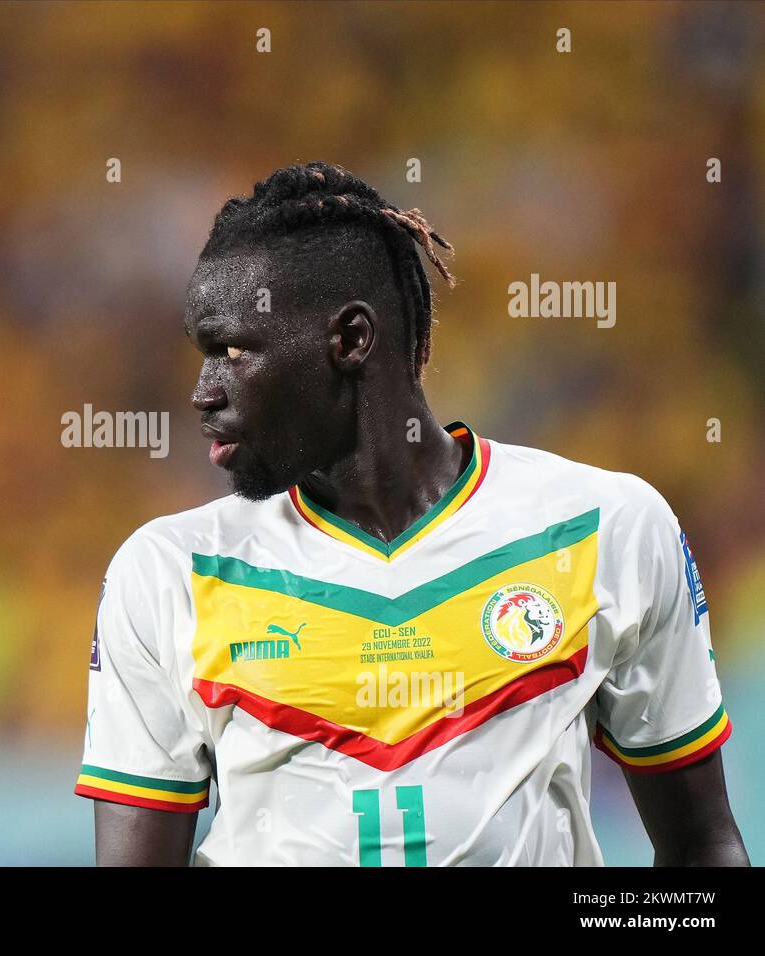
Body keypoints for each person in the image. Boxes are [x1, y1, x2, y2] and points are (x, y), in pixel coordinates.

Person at [74, 161, 748, 866]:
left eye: (233, 350)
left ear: (350, 340)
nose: (202, 392)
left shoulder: (605, 527)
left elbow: (703, 849)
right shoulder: (167, 573)